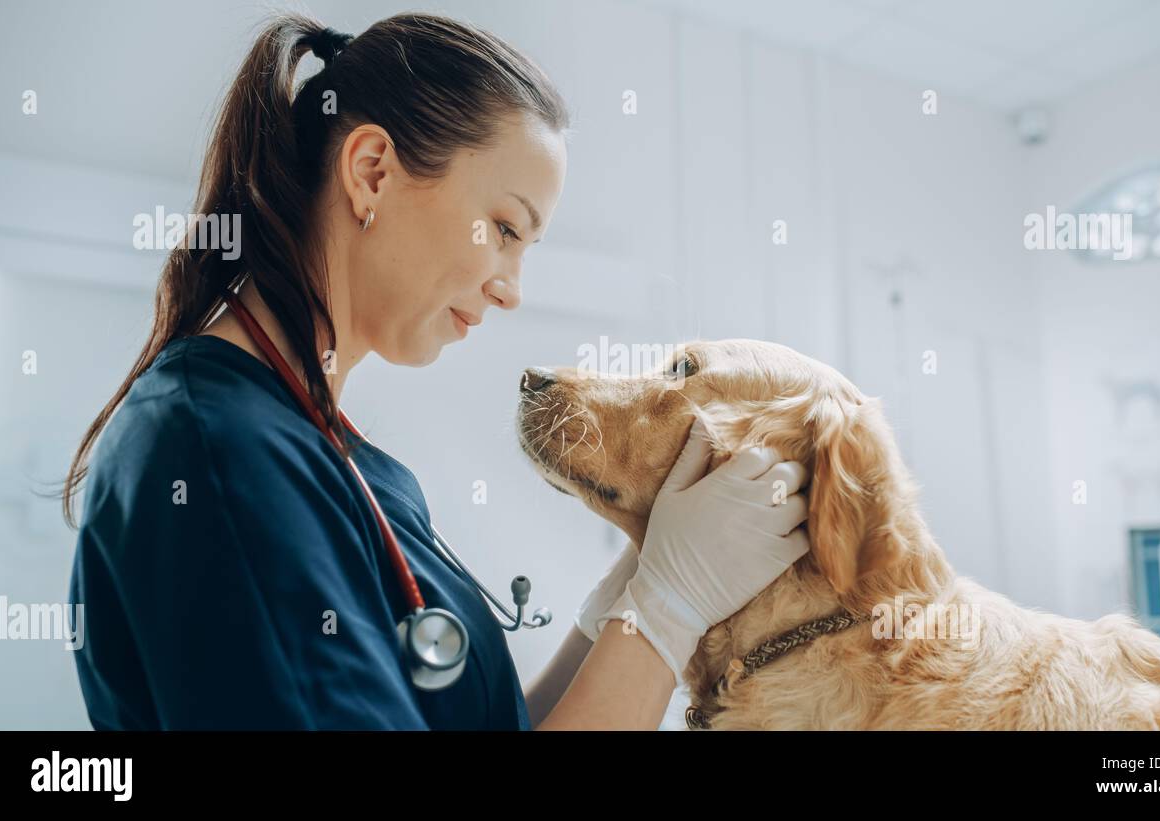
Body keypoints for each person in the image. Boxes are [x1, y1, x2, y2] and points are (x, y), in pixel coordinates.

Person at [61, 11, 809, 730]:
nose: (511, 288)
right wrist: (669, 607)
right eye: (506, 229)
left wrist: (622, 604)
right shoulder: (219, 452)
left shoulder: (354, 466)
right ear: (373, 173)